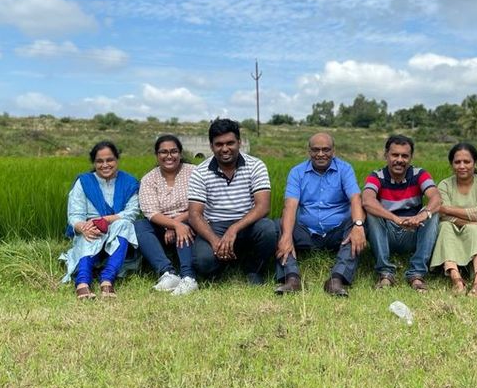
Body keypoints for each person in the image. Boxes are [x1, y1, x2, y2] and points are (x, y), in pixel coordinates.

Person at [274, 132, 367, 298]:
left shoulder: (345, 169)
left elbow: (355, 198)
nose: (321, 154)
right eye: (316, 150)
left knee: (357, 224)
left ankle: (336, 279)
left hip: (337, 233)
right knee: (279, 224)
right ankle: (292, 278)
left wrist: (358, 225)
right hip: (306, 233)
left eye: (326, 149)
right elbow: (290, 205)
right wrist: (287, 235)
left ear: (334, 151)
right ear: (309, 151)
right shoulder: (297, 172)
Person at [187, 118, 277, 284]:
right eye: (219, 144)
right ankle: (222, 264)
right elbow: (194, 215)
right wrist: (215, 241)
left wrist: (234, 228)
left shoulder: (256, 165)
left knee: (269, 230)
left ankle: (253, 269)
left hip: (247, 224)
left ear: (239, 143)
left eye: (230, 143)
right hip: (215, 225)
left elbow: (263, 207)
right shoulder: (200, 172)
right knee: (202, 262)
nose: (225, 149)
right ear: (211, 146)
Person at [60, 141, 140, 299]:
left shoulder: (129, 182)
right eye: (99, 161)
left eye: (109, 160)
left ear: (117, 160)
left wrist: (105, 220)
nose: (105, 165)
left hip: (117, 230)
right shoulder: (84, 182)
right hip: (90, 233)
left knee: (124, 224)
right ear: (94, 163)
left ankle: (107, 280)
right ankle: (82, 282)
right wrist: (83, 227)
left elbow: (132, 211)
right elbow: (75, 215)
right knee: (90, 229)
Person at [362, 134, 441, 292]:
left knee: (433, 213)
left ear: (411, 157)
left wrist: (421, 215)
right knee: (372, 212)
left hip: (413, 229)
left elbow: (436, 198)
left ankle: (417, 274)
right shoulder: (376, 176)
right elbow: (367, 200)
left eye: (404, 156)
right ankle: (385, 273)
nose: (399, 160)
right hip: (387, 231)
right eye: (395, 155)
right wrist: (395, 219)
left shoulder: (419, 174)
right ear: (386, 155)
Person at [430, 142, 477, 297]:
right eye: (457, 162)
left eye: (467, 161)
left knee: (473, 229)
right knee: (445, 227)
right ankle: (456, 279)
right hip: (453, 231)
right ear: (452, 164)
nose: (462, 166)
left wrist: (446, 208)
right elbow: (443, 217)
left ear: (475, 163)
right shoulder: (445, 185)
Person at [134, 134, 198, 296]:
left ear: (180, 153)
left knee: (186, 225)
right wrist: (173, 225)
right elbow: (150, 211)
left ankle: (189, 277)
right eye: (164, 152)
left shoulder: (194, 173)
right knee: (139, 225)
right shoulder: (149, 179)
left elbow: (201, 204)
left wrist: (177, 223)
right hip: (161, 227)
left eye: (174, 151)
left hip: (191, 221)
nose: (169, 156)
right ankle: (168, 273)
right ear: (157, 155)